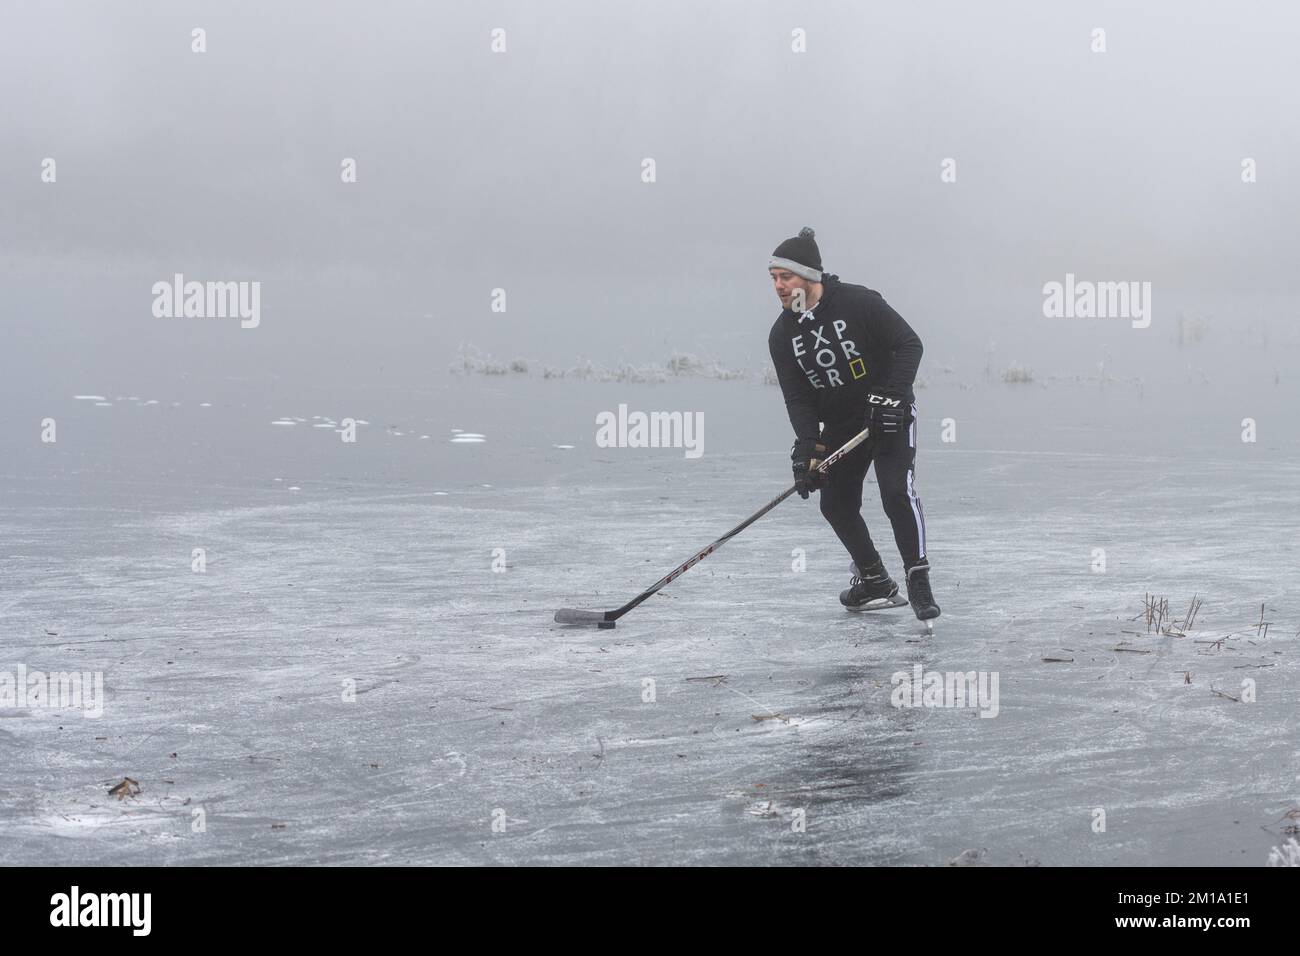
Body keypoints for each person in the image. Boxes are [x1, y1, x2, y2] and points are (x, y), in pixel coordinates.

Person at [766, 227, 939, 622]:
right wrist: (808, 445)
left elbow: (909, 344)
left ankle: (918, 578)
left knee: (897, 492)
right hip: (844, 428)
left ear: (809, 277)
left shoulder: (859, 302)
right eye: (773, 278)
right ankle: (875, 581)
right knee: (835, 504)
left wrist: (891, 395)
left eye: (785, 276)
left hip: (890, 416)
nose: (777, 285)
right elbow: (798, 397)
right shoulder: (782, 336)